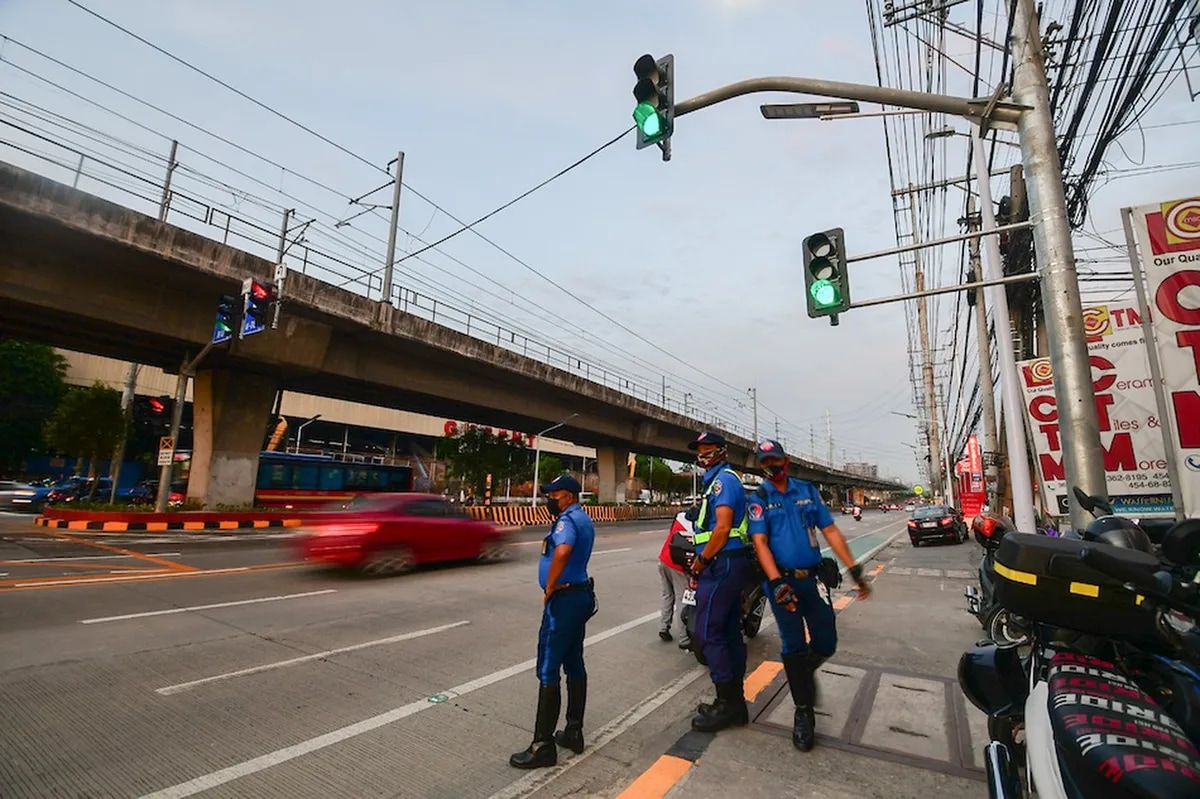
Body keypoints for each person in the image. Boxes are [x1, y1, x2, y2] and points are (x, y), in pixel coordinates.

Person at [748, 440, 872, 752]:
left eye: (774, 460)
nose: (771, 467)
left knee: (826, 641)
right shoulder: (759, 498)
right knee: (793, 645)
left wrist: (854, 569)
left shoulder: (807, 491)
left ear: (785, 460)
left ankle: (802, 673)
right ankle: (803, 713)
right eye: (765, 463)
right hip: (783, 584)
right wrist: (776, 584)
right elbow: (761, 543)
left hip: (813, 580)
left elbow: (830, 531)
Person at [509, 474, 597, 769]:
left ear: (569, 497)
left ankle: (542, 745)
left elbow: (562, 549)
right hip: (580, 595)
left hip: (564, 600)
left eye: (554, 495)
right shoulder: (583, 518)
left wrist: (550, 585)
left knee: (548, 668)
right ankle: (574, 731)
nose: (550, 500)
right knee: (574, 662)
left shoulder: (567, 521)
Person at [686, 431, 752, 732]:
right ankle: (734, 702)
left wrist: (702, 561)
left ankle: (728, 704)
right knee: (727, 632)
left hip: (721, 563)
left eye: (708, 449)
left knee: (707, 633)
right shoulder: (714, 481)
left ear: (722, 452)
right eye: (700, 450)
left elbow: (723, 528)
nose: (702, 455)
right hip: (724, 563)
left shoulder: (724, 481)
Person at [657, 524, 691, 648]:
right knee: (682, 598)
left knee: (667, 594)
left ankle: (663, 627)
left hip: (664, 559)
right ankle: (684, 638)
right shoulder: (698, 524)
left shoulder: (679, 518)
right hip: (678, 566)